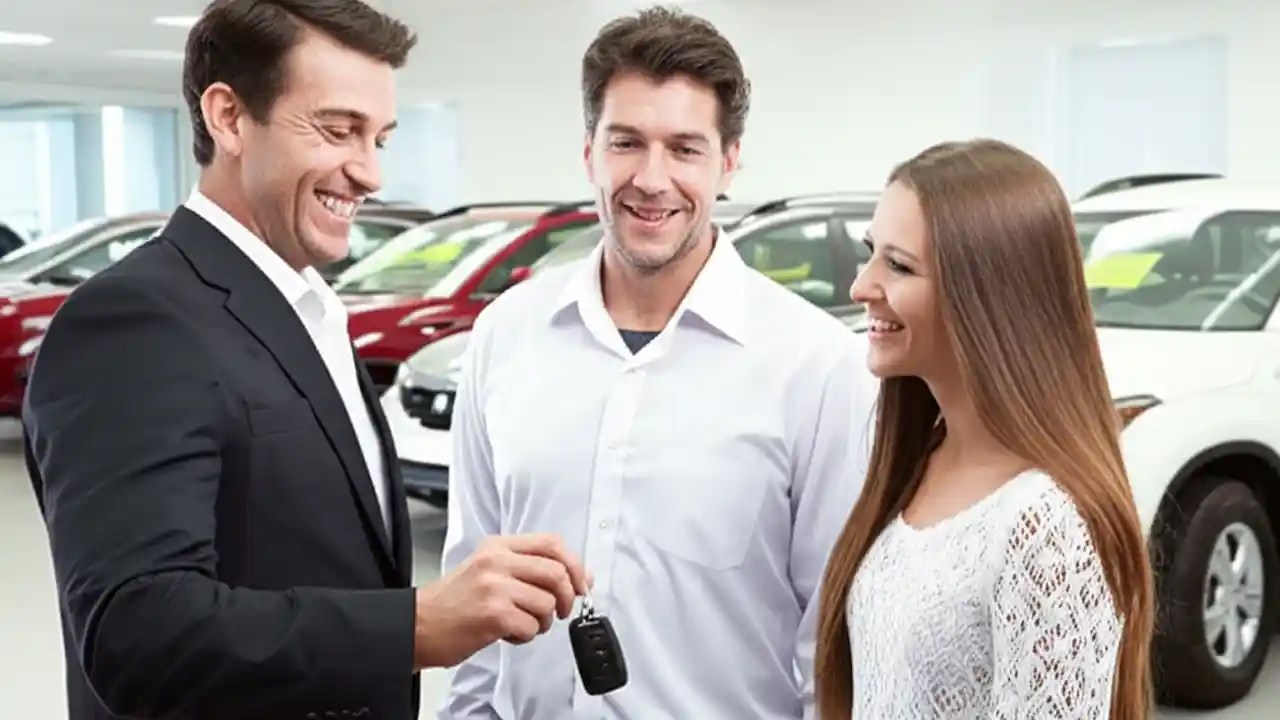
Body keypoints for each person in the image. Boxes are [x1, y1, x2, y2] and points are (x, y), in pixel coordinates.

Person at [23, 1, 587, 719]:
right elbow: (139, 632)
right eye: (337, 130)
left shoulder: (309, 307)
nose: (371, 173)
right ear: (230, 118)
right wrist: (417, 625)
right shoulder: (134, 322)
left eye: (379, 138)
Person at [438, 6, 876, 719]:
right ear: (589, 153)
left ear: (729, 162)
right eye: (626, 142)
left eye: (684, 149)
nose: (651, 178)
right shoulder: (505, 335)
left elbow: (829, 641)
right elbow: (473, 594)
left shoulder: (817, 365)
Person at [813, 139, 1156, 719]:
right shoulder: (924, 456)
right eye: (872, 253)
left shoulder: (1045, 527)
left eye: (898, 265)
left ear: (989, 297)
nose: (860, 287)